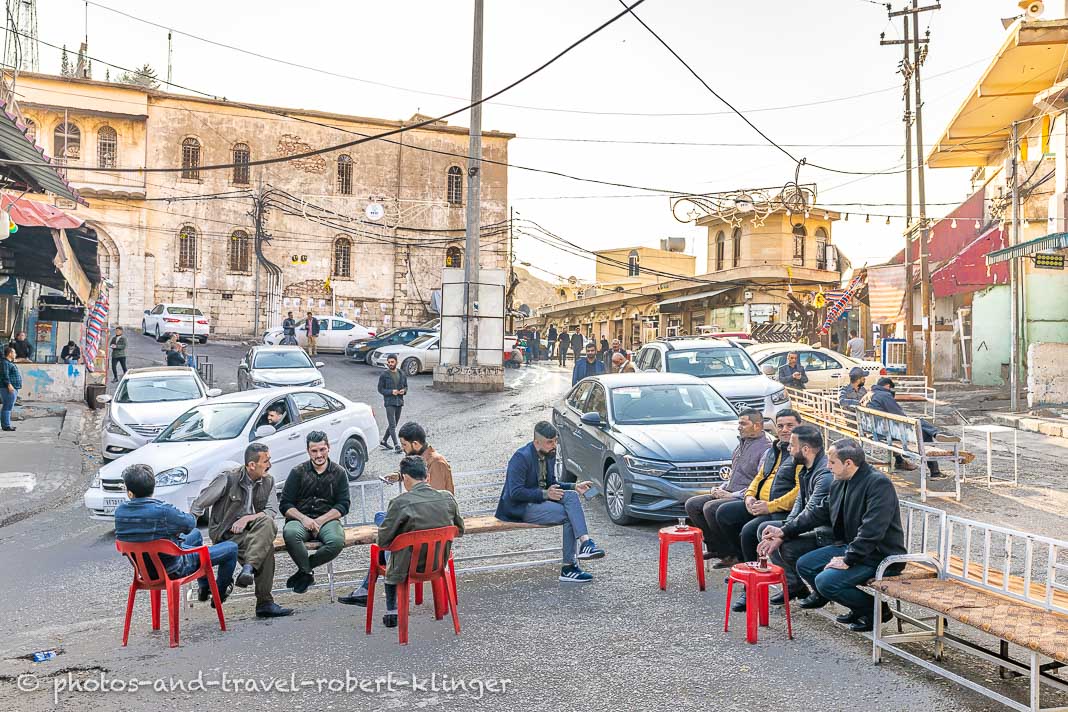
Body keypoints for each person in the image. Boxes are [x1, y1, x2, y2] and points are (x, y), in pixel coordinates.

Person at [760, 437, 907, 632]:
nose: (827, 466)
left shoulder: (878, 484)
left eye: (832, 462)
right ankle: (858, 607)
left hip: (879, 555)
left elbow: (872, 530)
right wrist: (784, 531)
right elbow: (818, 513)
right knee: (805, 565)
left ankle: (876, 610)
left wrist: (848, 559)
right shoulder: (841, 480)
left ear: (848, 463)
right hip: (852, 547)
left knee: (825, 582)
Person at [339, 421, 455, 606]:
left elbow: (432, 503)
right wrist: (400, 476)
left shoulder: (437, 464)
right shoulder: (425, 462)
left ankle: (380, 598)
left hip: (427, 535)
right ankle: (367, 590)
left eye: (404, 445)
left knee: (387, 539)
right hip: (422, 531)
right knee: (384, 523)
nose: (402, 449)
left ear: (415, 444)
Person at [190, 444, 294, 618]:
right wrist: (187, 531)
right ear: (251, 465)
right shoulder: (228, 479)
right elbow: (199, 504)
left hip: (252, 533)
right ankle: (264, 601)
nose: (270, 465)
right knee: (265, 547)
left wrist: (247, 519)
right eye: (266, 461)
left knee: (267, 524)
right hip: (226, 533)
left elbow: (271, 511)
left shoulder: (268, 481)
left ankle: (249, 570)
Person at [495, 421, 605, 582]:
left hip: (539, 501)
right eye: (549, 442)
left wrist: (574, 486)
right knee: (569, 516)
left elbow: (551, 483)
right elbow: (515, 493)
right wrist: (546, 494)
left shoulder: (549, 454)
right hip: (519, 508)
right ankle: (568, 567)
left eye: (555, 441)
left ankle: (586, 543)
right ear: (536, 442)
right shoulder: (520, 458)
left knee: (572, 496)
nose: (554, 445)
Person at [114, 463, 238, 605]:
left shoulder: (120, 512)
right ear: (153, 488)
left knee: (196, 535)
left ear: (130, 493)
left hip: (145, 571)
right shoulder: (163, 511)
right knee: (231, 548)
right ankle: (219, 595)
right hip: (174, 568)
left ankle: (204, 588)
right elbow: (190, 524)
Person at [373, 456, 465, 628]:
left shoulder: (399, 503)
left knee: (386, 537)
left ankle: (391, 609)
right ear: (427, 476)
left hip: (406, 567)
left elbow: (383, 542)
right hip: (438, 563)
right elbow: (459, 530)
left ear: (405, 478)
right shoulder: (448, 498)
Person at [709, 414, 805, 577]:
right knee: (723, 513)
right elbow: (759, 477)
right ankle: (742, 564)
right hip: (761, 503)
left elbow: (799, 491)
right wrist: (749, 497)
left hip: (780, 509)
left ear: (800, 426)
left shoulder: (800, 453)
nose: (784, 430)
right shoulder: (775, 449)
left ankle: (754, 575)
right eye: (780, 426)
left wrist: (770, 507)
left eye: (790, 426)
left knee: (748, 532)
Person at [754, 423, 833, 608]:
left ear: (805, 449)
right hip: (812, 526)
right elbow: (799, 504)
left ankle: (821, 591)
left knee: (788, 546)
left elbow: (812, 513)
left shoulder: (824, 474)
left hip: (826, 532)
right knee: (764, 530)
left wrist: (783, 533)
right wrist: (783, 529)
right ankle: (794, 584)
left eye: (792, 445)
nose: (788, 449)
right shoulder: (806, 468)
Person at [684, 408, 773, 561]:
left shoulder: (766, 449)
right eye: (739, 423)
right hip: (730, 491)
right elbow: (736, 475)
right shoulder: (741, 445)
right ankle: (719, 550)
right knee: (692, 504)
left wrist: (731, 495)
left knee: (711, 508)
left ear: (757, 425)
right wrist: (720, 488)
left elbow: (760, 484)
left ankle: (735, 554)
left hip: (746, 497)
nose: (739, 427)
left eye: (743, 424)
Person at [279, 431, 350, 593]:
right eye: (314, 451)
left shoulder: (339, 472)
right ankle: (307, 573)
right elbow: (285, 504)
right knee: (290, 533)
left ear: (328, 447)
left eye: (322, 449)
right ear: (308, 451)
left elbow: (343, 505)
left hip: (327, 520)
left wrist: (320, 521)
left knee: (336, 542)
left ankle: (305, 570)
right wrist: (304, 519)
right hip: (299, 520)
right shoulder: (297, 472)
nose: (319, 455)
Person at [866, 377, 954, 478]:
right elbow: (900, 416)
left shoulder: (869, 394)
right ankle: (935, 470)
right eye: (891, 389)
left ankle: (935, 434)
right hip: (885, 434)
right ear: (888, 386)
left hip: (874, 431)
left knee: (920, 424)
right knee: (922, 428)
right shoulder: (884, 395)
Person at [377, 354, 408, 453]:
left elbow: (406, 386)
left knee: (394, 424)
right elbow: (380, 389)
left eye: (392, 362)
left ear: (396, 362)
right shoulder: (384, 375)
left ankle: (384, 441)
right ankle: (396, 445)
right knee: (392, 424)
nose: (390, 364)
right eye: (389, 362)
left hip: (399, 402)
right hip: (389, 402)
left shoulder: (402, 373)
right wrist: (391, 392)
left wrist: (404, 391)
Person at [0, 346, 21, 432]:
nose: (15, 354)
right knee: (7, 406)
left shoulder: (8, 362)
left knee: (8, 406)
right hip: (7, 388)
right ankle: (6, 426)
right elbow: (5, 374)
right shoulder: (5, 363)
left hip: (13, 387)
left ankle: (6, 424)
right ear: (10, 353)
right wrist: (9, 384)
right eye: (14, 352)